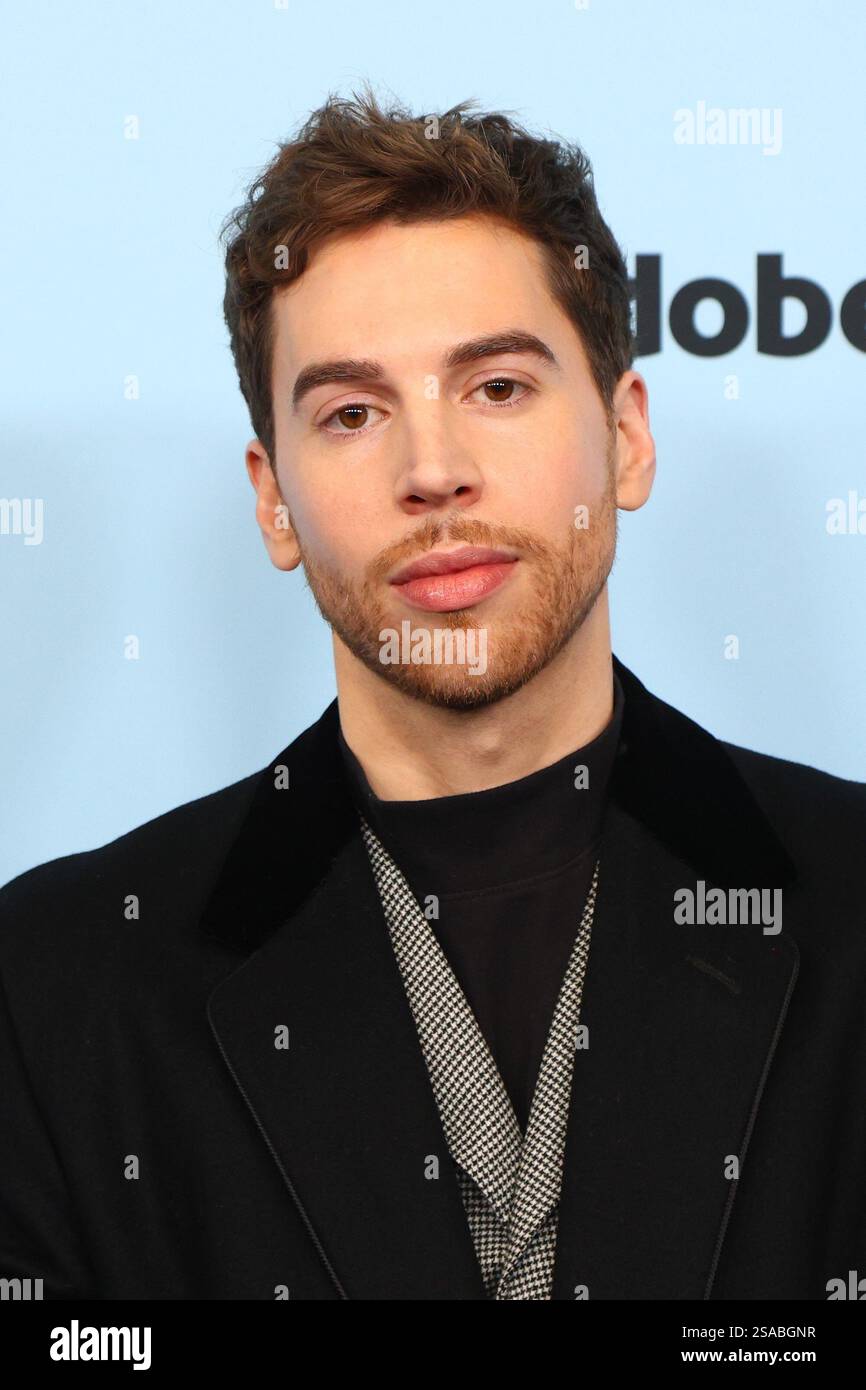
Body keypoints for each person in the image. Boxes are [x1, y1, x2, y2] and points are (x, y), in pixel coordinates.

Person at [1, 89, 864, 1302]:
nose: (433, 472)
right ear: (271, 501)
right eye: (352, 413)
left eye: (496, 387)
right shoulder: (56, 988)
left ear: (625, 437)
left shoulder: (846, 897)